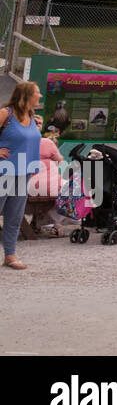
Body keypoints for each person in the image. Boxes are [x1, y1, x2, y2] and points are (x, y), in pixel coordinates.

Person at [0, 81, 44, 270]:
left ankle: (10, 255)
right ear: (26, 95)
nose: (40, 96)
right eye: (37, 92)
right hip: (4, 172)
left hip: (24, 173)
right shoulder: (5, 114)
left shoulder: (32, 117)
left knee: (14, 216)